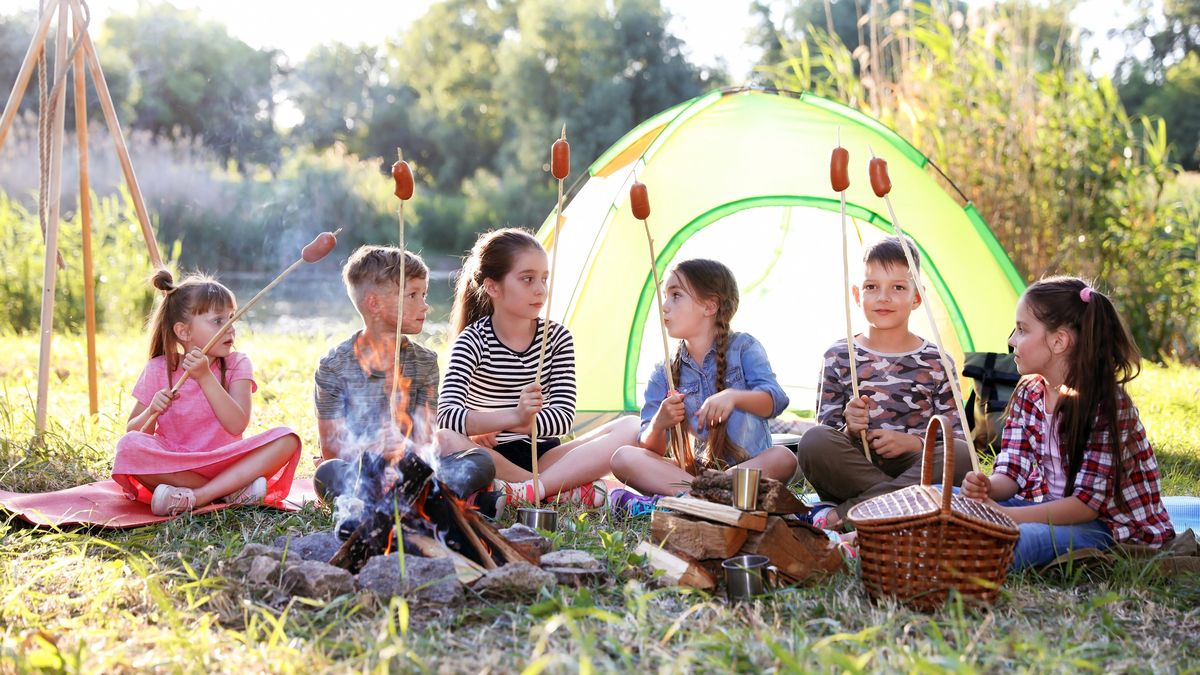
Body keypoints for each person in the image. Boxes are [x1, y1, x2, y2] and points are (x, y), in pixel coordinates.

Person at [961, 276, 1174, 569]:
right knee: (943, 496)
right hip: (1046, 508)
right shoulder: (1029, 391)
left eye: (1022, 330)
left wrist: (1003, 515)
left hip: (1107, 526)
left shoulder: (1109, 406)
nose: (1011, 340)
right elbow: (1012, 470)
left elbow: (1085, 505)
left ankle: (957, 559)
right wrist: (987, 488)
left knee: (1023, 539)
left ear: (1059, 341)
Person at [437, 228, 639, 509]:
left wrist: (522, 422)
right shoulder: (472, 341)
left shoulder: (557, 338)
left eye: (544, 278)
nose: (540, 289)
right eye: (527, 279)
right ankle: (559, 490)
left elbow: (563, 417)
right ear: (493, 287)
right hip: (492, 457)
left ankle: (527, 491)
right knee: (445, 440)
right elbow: (447, 417)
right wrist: (512, 416)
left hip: (545, 457)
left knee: (632, 425)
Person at [795, 236, 972, 530]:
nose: (883, 297)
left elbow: (957, 438)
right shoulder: (839, 356)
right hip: (855, 468)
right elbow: (826, 430)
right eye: (872, 287)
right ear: (857, 295)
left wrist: (913, 442)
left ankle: (851, 515)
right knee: (813, 441)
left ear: (917, 297)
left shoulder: (938, 361)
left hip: (916, 465)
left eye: (898, 287)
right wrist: (850, 428)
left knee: (963, 456)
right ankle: (908, 508)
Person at [608, 258, 796, 516]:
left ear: (710, 306)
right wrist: (660, 423)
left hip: (746, 475)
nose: (664, 306)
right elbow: (649, 448)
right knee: (623, 457)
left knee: (784, 458)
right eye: (665, 296)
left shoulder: (744, 347)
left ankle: (691, 502)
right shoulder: (664, 372)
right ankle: (705, 499)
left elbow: (776, 400)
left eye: (676, 296)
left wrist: (734, 397)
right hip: (691, 476)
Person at [313, 246, 494, 506]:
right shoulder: (333, 367)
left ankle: (406, 498)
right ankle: (433, 501)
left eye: (424, 294)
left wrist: (404, 449)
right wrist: (372, 450)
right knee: (326, 473)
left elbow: (426, 438)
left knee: (481, 461)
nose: (425, 306)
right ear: (374, 303)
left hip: (413, 470)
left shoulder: (424, 361)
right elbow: (331, 449)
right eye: (413, 295)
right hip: (362, 472)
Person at [113, 270, 301, 517]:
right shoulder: (159, 368)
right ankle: (231, 494)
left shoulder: (237, 363)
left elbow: (236, 424)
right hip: (177, 465)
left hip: (228, 462)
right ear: (184, 332)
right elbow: (135, 432)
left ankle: (199, 497)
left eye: (232, 318)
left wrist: (205, 377)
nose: (231, 328)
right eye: (218, 320)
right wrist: (152, 410)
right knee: (127, 446)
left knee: (287, 439)